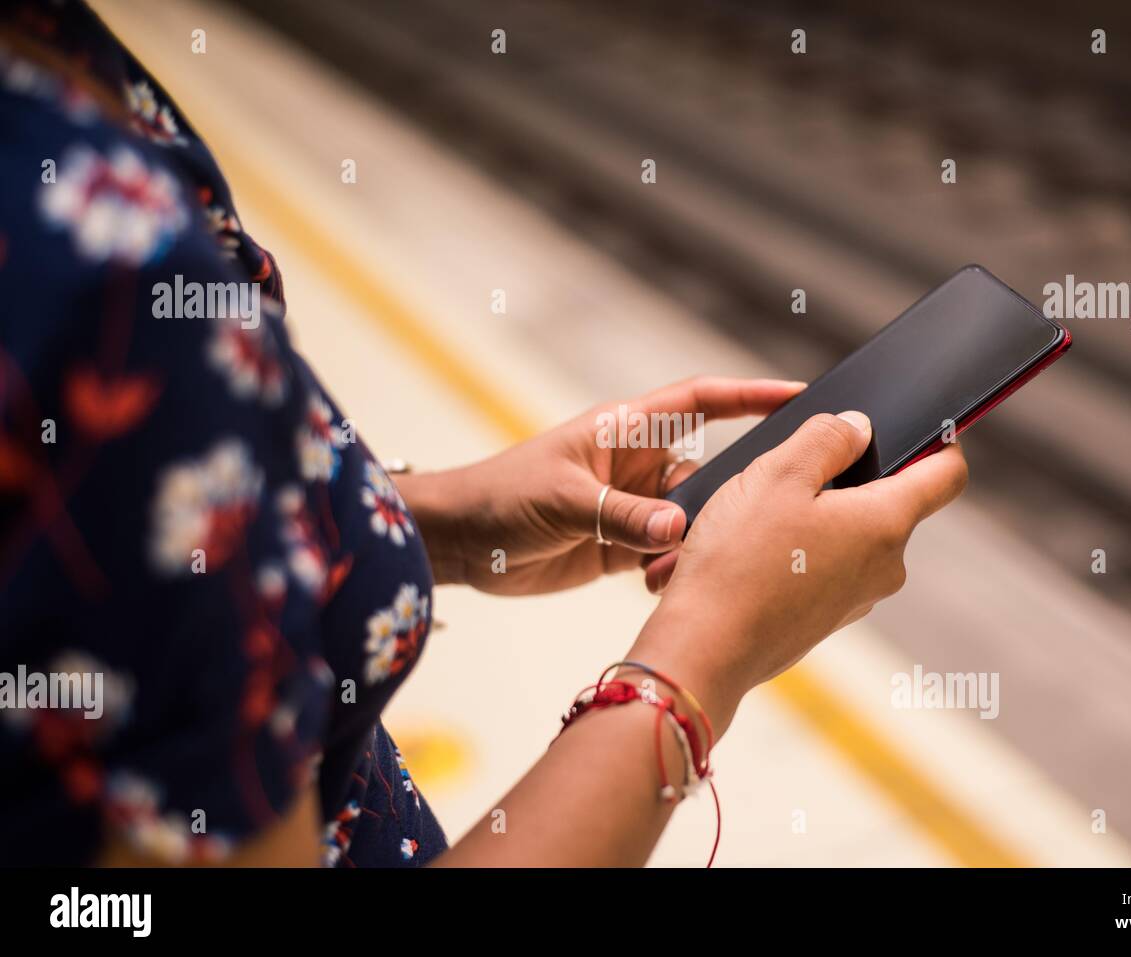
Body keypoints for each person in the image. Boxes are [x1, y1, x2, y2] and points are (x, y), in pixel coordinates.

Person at [0, 0, 966, 867]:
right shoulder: (87, 261)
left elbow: (106, 562)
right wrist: (703, 658)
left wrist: (432, 517)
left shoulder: (55, 60)